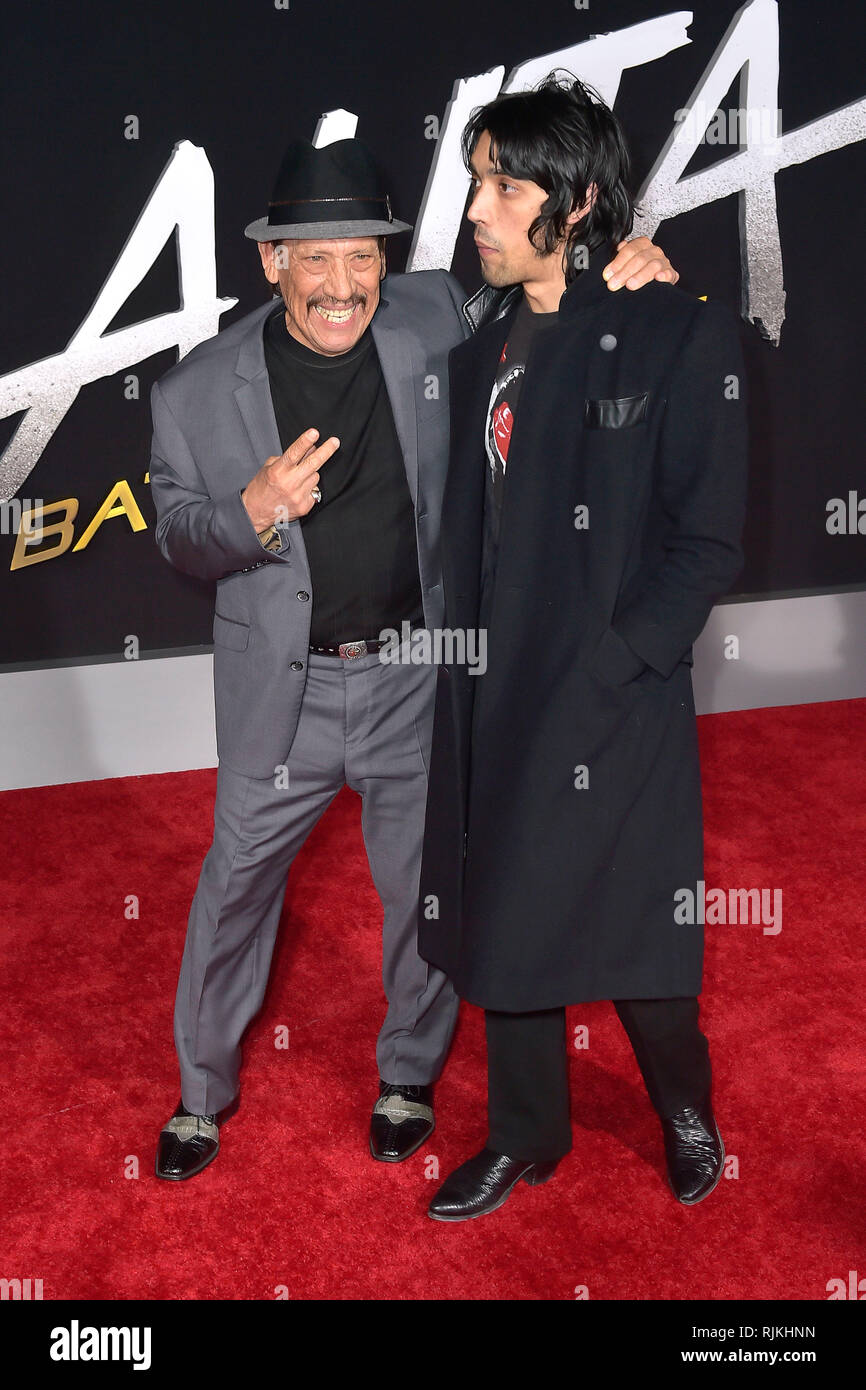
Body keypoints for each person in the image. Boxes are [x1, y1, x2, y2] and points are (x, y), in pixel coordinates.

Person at [148, 131, 679, 1180]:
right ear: (270, 261)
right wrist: (249, 511)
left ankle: (407, 1075)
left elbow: (553, 303)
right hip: (283, 692)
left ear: (385, 259)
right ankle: (199, 1096)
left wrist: (637, 267)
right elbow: (174, 535)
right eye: (315, 258)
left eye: (362, 255)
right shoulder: (193, 393)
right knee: (234, 890)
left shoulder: (435, 315)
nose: (342, 285)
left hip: (410, 674)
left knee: (423, 891)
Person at [418, 74, 748, 1221]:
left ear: (579, 201)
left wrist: (616, 665)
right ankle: (525, 1132)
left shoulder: (674, 332)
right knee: (506, 923)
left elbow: (704, 544)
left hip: (614, 703)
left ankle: (683, 1105)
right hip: (493, 696)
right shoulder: (477, 346)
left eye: (504, 188)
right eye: (477, 184)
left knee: (637, 929)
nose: (477, 211)